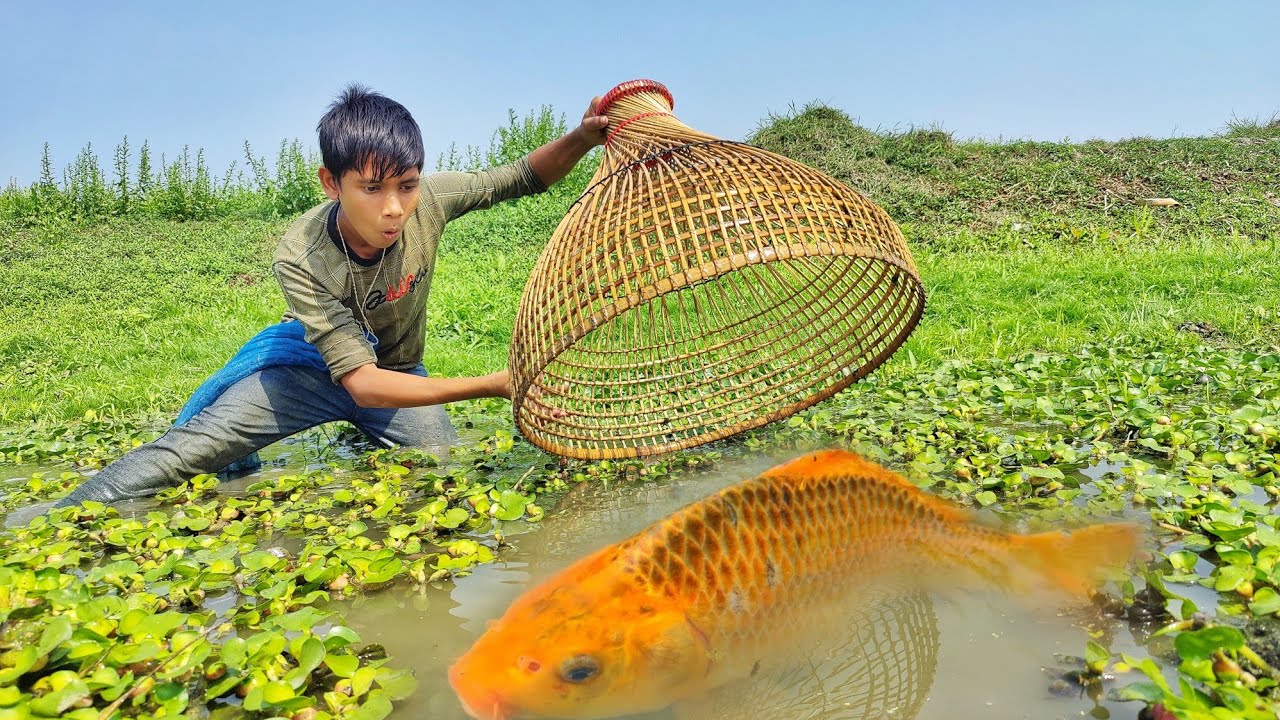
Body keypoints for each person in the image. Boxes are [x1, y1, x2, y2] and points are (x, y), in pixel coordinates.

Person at [52, 84, 608, 508]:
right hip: (309, 372)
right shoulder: (302, 253)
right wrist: (493, 385)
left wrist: (583, 138)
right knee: (188, 455)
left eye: (407, 186)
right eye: (371, 188)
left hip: (397, 371)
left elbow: (521, 176)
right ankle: (56, 516)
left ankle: (364, 448)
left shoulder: (431, 201)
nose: (394, 207)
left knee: (439, 458)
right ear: (331, 183)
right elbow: (359, 385)